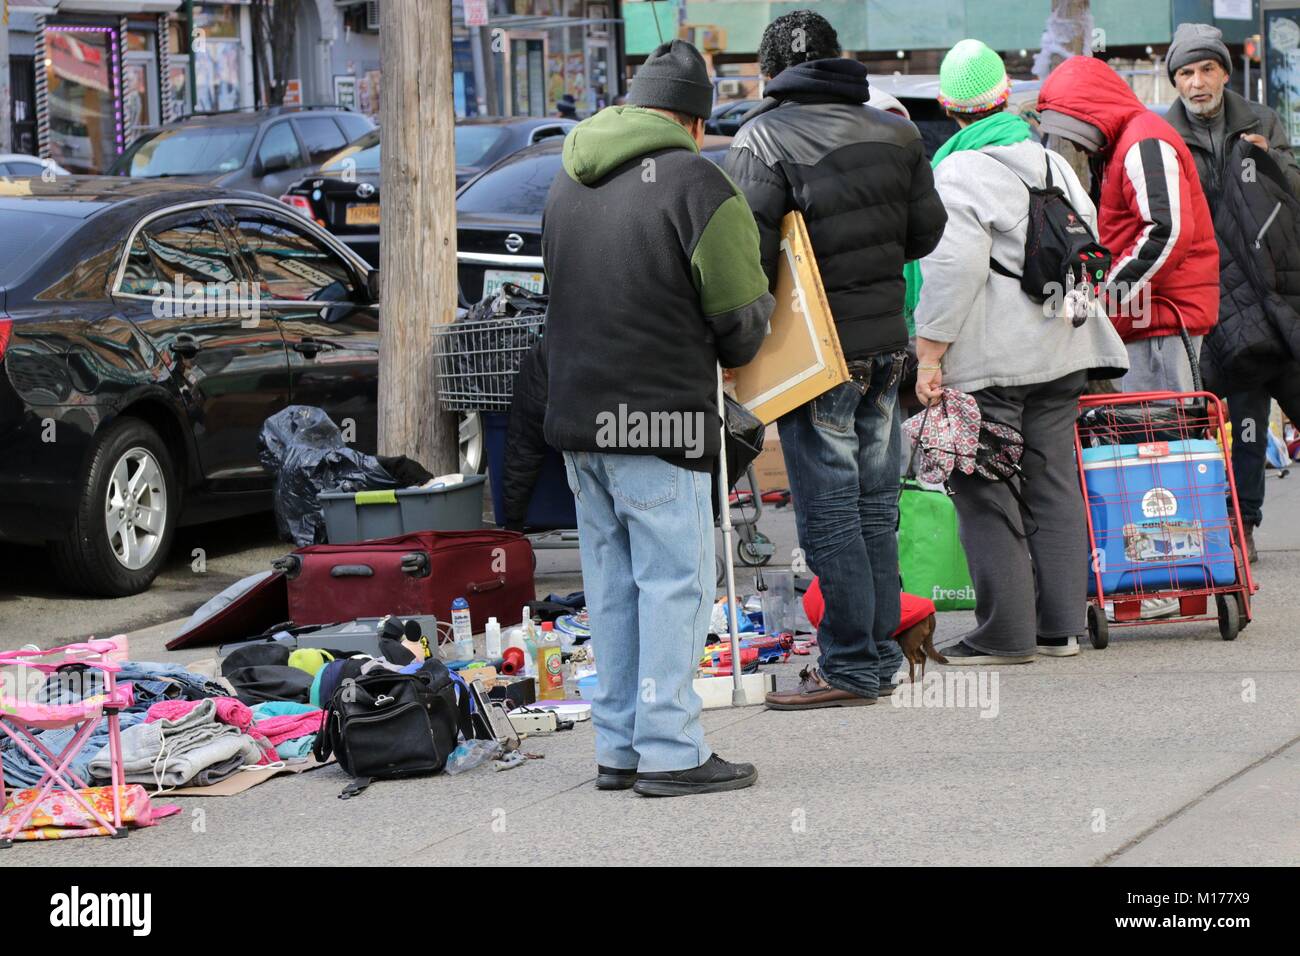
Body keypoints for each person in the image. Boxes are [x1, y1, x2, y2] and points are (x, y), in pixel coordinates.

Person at [542, 40, 773, 796]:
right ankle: (672, 751)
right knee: (675, 581)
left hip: (578, 420)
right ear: (694, 122)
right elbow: (741, 318)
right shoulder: (696, 183)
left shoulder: (565, 182)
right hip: (661, 420)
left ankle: (619, 748)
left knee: (611, 586)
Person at [725, 10, 947, 709]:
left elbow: (747, 259)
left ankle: (851, 664)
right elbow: (926, 233)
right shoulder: (896, 130)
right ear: (837, 57)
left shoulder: (762, 137)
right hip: (887, 345)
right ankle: (878, 650)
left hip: (816, 354)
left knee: (831, 514)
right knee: (876, 508)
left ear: (771, 71)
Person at [908, 40, 1129, 664]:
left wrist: (928, 355)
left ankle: (1003, 634)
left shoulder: (956, 172)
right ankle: (1060, 628)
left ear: (951, 108)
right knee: (1054, 485)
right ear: (1005, 98)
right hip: (1062, 352)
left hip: (992, 363)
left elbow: (952, 271)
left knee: (983, 489)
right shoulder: (1052, 163)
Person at [1164, 22, 1300, 563]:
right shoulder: (1162, 134)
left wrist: (1274, 161)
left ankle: (1240, 522)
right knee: (1241, 420)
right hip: (1217, 302)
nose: (1197, 83)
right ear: (1176, 81)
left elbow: (1292, 192)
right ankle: (1241, 524)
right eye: (1185, 73)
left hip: (1278, 296)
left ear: (1224, 71)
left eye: (1206, 69)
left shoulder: (1261, 120)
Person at [1037, 56, 1219, 395]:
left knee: (1158, 439)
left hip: (1161, 322)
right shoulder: (1128, 142)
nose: (1076, 146)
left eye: (1074, 133)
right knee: (1151, 438)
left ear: (1087, 115)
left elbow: (1167, 232)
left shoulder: (1144, 141)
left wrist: (1105, 294)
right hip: (1150, 318)